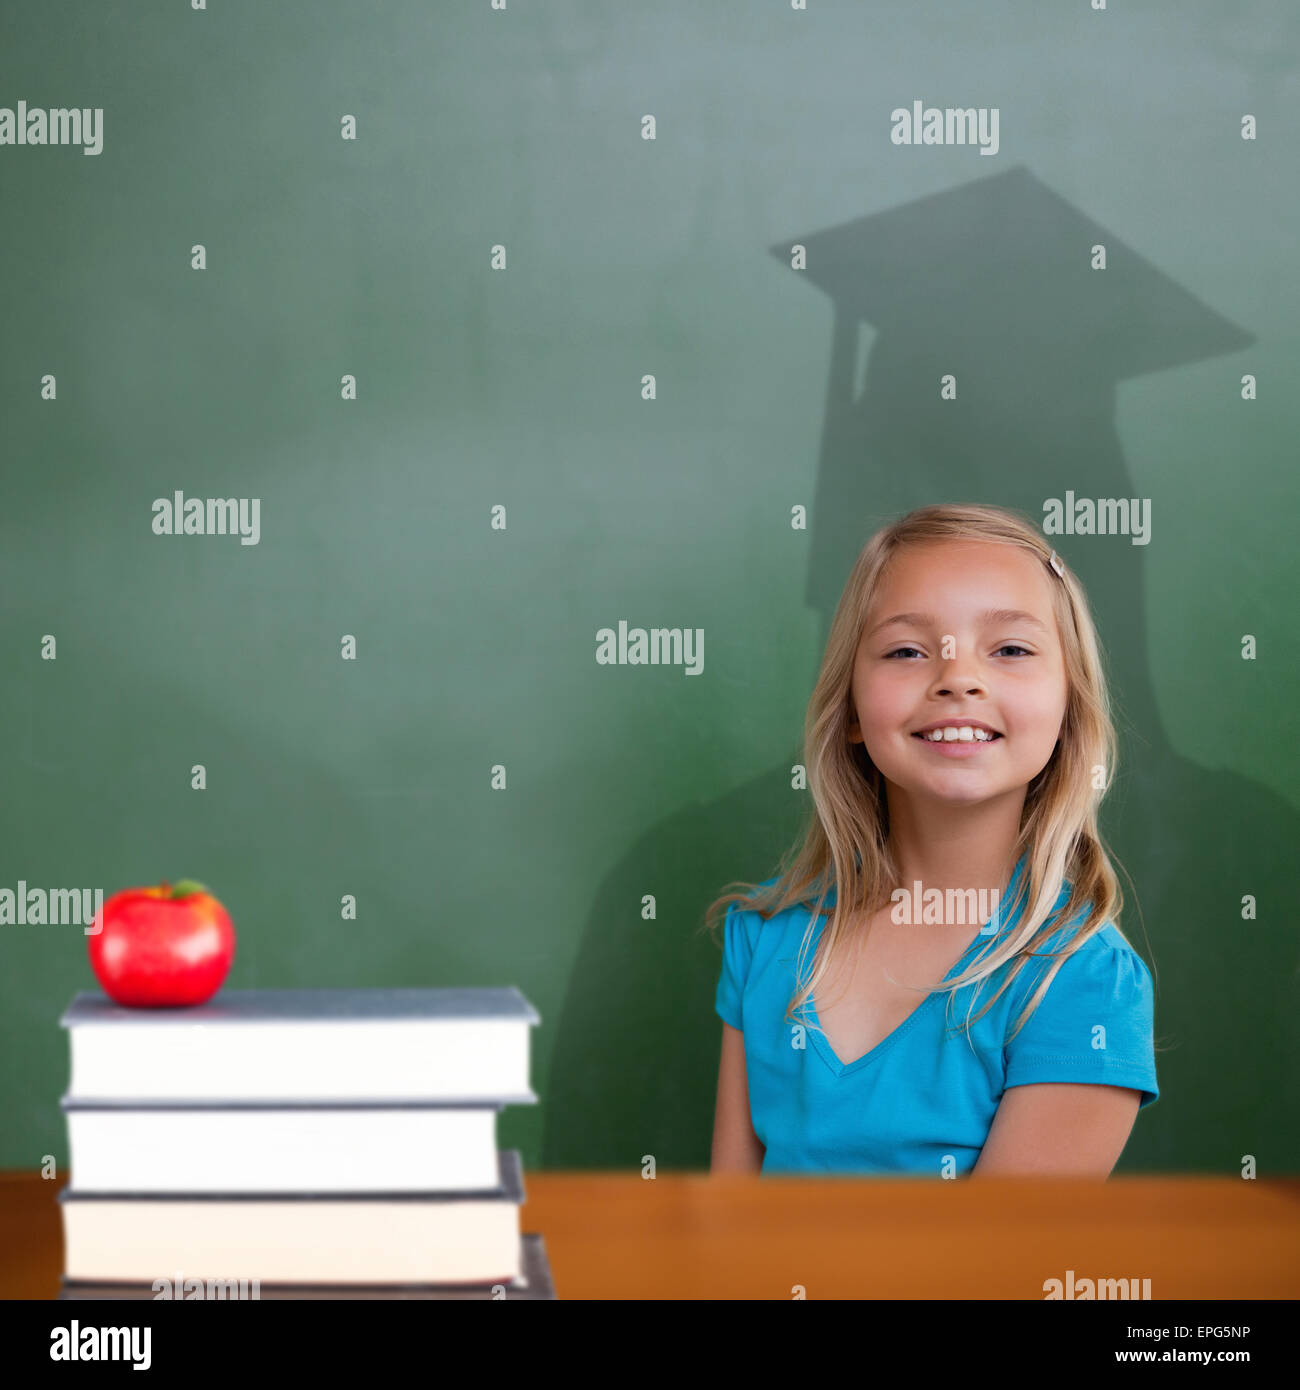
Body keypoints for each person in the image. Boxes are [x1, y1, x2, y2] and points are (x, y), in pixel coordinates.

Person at [706, 503, 1158, 1177]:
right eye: (907, 651)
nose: (958, 677)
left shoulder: (1082, 981)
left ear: (1068, 711)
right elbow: (725, 1240)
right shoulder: (765, 936)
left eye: (1010, 649)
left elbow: (987, 1273)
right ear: (852, 711)